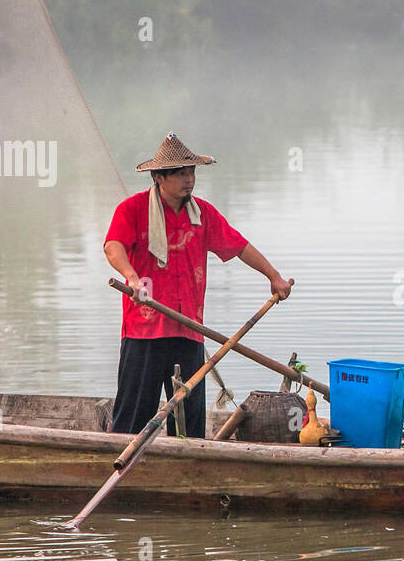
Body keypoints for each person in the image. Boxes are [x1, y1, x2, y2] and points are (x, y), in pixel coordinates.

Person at [103, 133, 291, 438]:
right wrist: (133, 278)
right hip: (145, 329)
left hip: (189, 329)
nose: (189, 179)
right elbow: (113, 247)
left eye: (191, 172)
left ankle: (187, 472)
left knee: (189, 423)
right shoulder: (133, 209)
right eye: (180, 173)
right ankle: (126, 467)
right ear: (159, 177)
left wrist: (273, 276)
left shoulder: (202, 214)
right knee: (133, 418)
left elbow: (239, 246)